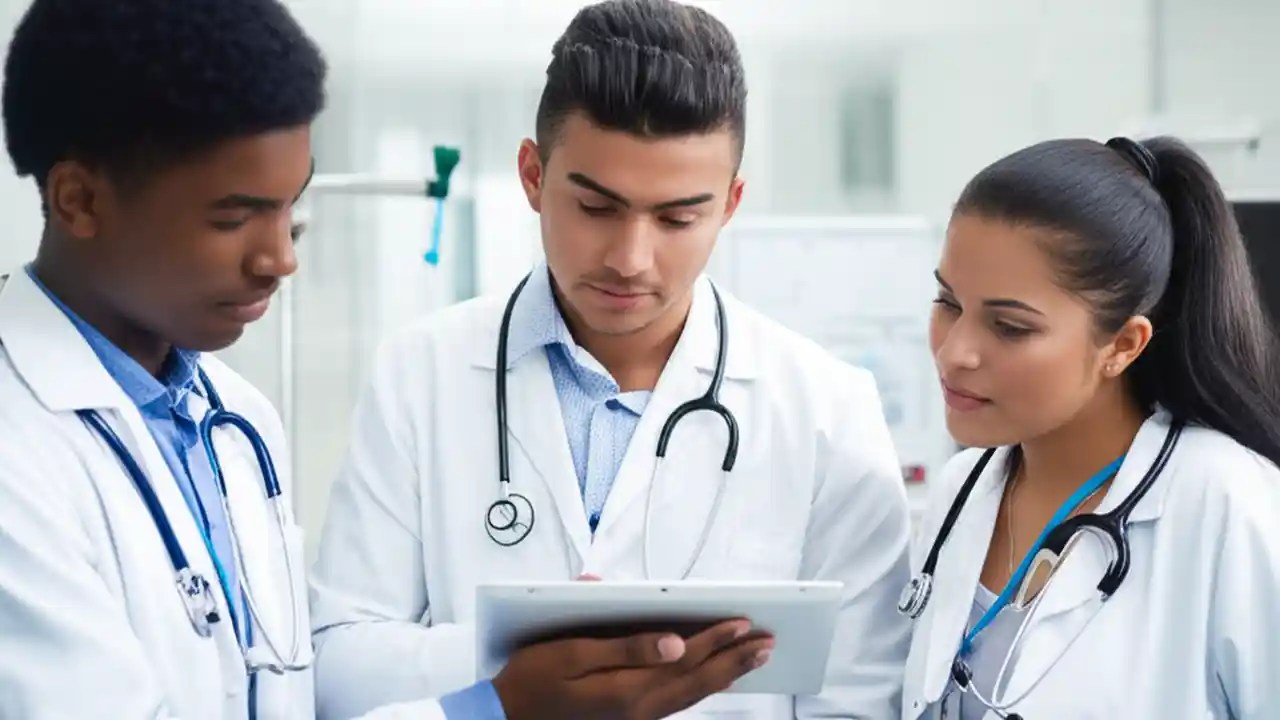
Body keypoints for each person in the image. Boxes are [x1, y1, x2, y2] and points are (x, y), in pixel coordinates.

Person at [309, 0, 913, 718]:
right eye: (596, 208)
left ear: (730, 203)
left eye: (677, 218)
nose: (630, 259)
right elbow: (336, 667)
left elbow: (860, 701)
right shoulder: (420, 374)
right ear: (532, 176)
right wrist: (518, 685)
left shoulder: (826, 409)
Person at [0, 0, 325, 717]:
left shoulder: (238, 420)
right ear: (79, 200)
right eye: (234, 218)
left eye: (291, 212)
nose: (281, 258)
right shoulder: (14, 444)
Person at [900, 135, 1280, 718]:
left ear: (1122, 345)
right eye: (948, 302)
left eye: (1009, 327)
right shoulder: (961, 490)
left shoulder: (1226, 502)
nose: (954, 353)